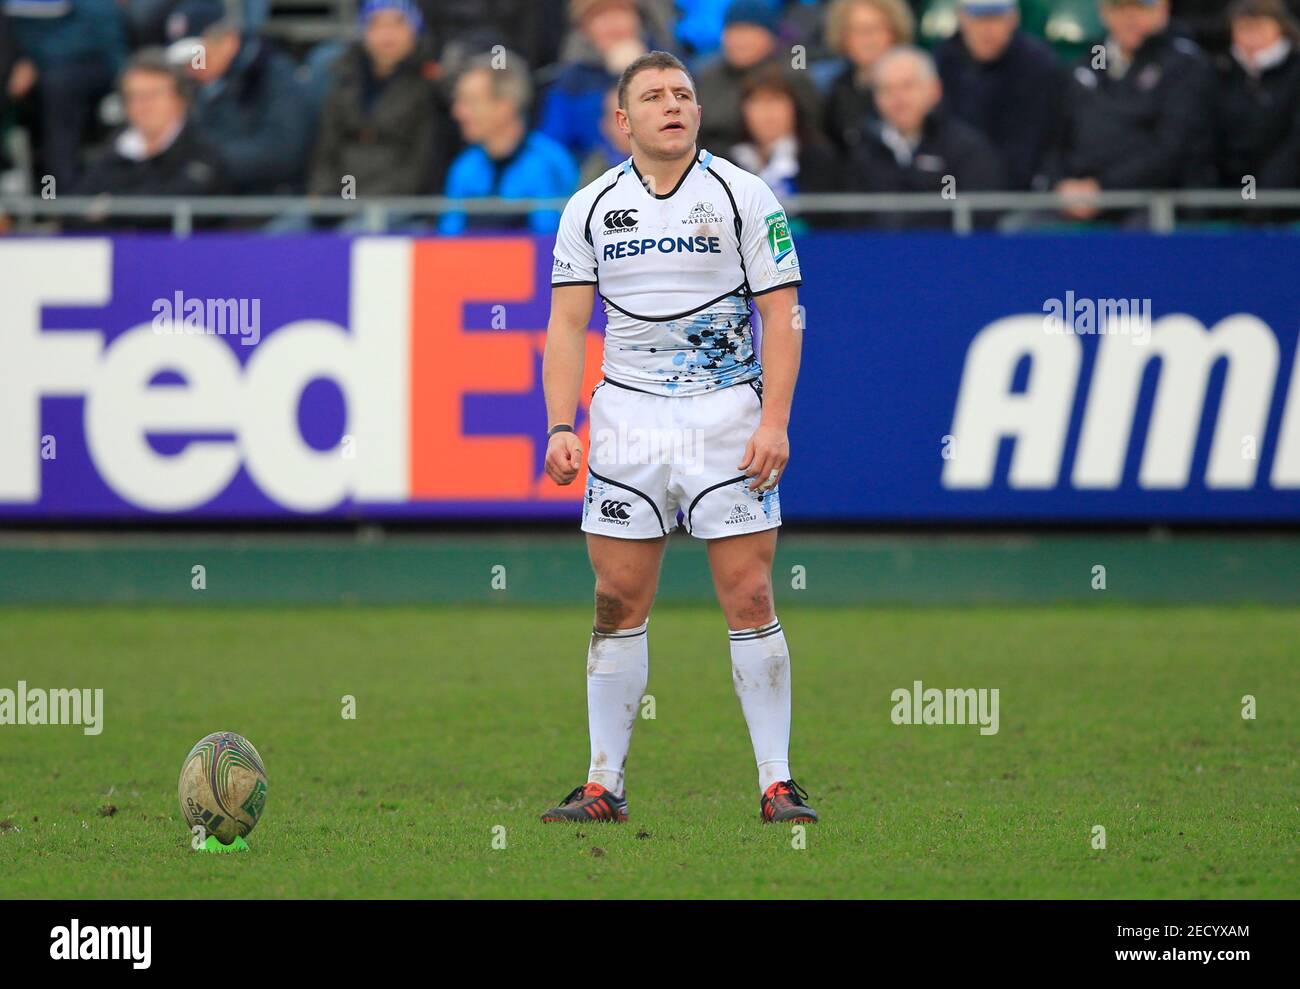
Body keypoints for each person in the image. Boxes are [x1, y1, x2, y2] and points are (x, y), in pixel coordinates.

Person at [540, 49, 817, 826]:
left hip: (725, 414)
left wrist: (774, 422)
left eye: (685, 94)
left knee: (751, 592)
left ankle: (777, 781)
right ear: (622, 120)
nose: (674, 105)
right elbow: (566, 326)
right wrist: (562, 423)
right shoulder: (589, 207)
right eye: (655, 96)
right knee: (616, 597)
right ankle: (603, 782)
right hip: (626, 420)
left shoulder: (744, 195)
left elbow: (782, 315)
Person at [1044, 0, 1216, 220]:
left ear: (1163, 9)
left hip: (1159, 198)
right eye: (1120, 8)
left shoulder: (1186, 65)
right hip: (1079, 196)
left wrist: (1104, 189)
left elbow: (1171, 149)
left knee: (1140, 236)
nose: (1130, 18)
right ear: (1104, 13)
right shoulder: (1088, 62)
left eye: (1140, 8)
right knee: (1023, 229)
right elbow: (1055, 136)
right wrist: (1060, 184)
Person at [848, 45, 1006, 228]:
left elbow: (980, 217)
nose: (897, 98)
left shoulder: (965, 149)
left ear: (935, 90)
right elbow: (851, 220)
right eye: (886, 89)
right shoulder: (863, 149)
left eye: (907, 86)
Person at [308, 0, 449, 199]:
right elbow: (325, 150)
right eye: (376, 24)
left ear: (415, 30)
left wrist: (365, 202)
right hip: (339, 201)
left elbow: (421, 166)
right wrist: (324, 197)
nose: (387, 35)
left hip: (397, 206)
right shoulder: (343, 78)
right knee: (284, 229)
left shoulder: (429, 88)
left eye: (397, 23)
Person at [438, 51, 579, 233]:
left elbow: (555, 243)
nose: (458, 112)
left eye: (470, 102)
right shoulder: (464, 167)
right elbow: (448, 240)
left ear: (505, 106)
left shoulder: (551, 163)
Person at [934, 0, 1067, 190]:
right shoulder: (941, 62)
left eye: (995, 19)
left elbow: (1044, 143)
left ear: (1013, 19)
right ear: (961, 18)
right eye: (979, 18)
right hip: (954, 189)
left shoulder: (1040, 65)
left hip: (1020, 191)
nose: (987, 30)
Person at [73, 48, 227, 207]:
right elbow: (75, 210)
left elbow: (183, 201)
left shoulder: (203, 148)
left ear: (180, 99)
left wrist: (111, 207)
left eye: (154, 95)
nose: (144, 106)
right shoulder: (114, 151)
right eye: (134, 96)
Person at [181, 14, 314, 194]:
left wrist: (211, 161)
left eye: (198, 56)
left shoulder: (274, 76)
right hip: (222, 195)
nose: (192, 68)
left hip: (270, 195)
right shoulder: (206, 87)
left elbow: (285, 150)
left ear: (228, 43)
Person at [730, 60, 843, 226]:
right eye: (757, 101)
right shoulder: (726, 162)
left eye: (776, 100)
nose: (767, 112)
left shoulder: (819, 160)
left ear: (795, 108)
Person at [538, 0, 650, 164]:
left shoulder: (670, 68)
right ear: (584, 28)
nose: (613, 23)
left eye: (622, 11)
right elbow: (551, 151)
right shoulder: (571, 83)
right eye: (600, 15)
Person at [1216, 0, 1300, 192]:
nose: (1251, 38)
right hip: (1234, 191)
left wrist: (1263, 193)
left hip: (1287, 196)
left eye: (1259, 28)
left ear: (1280, 28)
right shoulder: (1223, 73)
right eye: (1243, 29)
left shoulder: (1295, 71)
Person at [821, 0, 914, 153]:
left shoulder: (915, 81)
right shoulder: (835, 91)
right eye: (857, 30)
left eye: (876, 28)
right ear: (843, 38)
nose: (868, 39)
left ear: (894, 32)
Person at [693, 0, 783, 152]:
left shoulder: (786, 78)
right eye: (733, 30)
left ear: (770, 37)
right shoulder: (705, 76)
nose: (739, 40)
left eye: (749, 30)